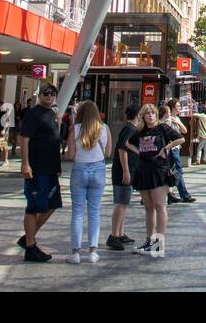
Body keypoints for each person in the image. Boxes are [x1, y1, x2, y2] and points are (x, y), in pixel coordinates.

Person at [126, 103, 183, 257]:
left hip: (159, 170)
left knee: (160, 205)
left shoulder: (163, 128)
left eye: (152, 113)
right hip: (144, 170)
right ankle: (149, 240)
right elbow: (128, 143)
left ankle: (159, 242)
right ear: (143, 116)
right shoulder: (140, 131)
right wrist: (139, 152)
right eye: (147, 113)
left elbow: (180, 139)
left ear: (156, 114)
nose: (150, 115)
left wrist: (166, 148)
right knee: (148, 207)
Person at [18, 84, 63, 262]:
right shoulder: (33, 114)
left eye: (53, 93)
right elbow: (24, 139)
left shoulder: (52, 114)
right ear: (40, 95)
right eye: (46, 93)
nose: (50, 96)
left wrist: (57, 166)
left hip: (51, 168)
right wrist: (25, 164)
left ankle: (28, 237)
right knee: (34, 206)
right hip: (37, 168)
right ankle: (30, 246)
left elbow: (53, 140)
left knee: (52, 203)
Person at [66, 100, 109, 265]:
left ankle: (75, 253)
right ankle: (93, 252)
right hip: (98, 169)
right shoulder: (104, 128)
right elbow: (108, 152)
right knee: (94, 212)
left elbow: (70, 155)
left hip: (79, 169)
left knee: (77, 212)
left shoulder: (75, 130)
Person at [107, 103, 139, 252]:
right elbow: (122, 149)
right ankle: (114, 235)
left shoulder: (130, 128)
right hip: (123, 172)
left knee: (124, 203)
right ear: (138, 116)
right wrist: (125, 171)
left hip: (127, 171)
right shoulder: (130, 129)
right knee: (121, 203)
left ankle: (119, 233)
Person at [163, 99, 196, 204]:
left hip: (176, 148)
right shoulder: (167, 120)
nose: (180, 108)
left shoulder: (176, 118)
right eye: (178, 106)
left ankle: (170, 194)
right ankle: (183, 195)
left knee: (172, 171)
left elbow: (185, 130)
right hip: (171, 149)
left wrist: (177, 122)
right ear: (172, 108)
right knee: (177, 171)